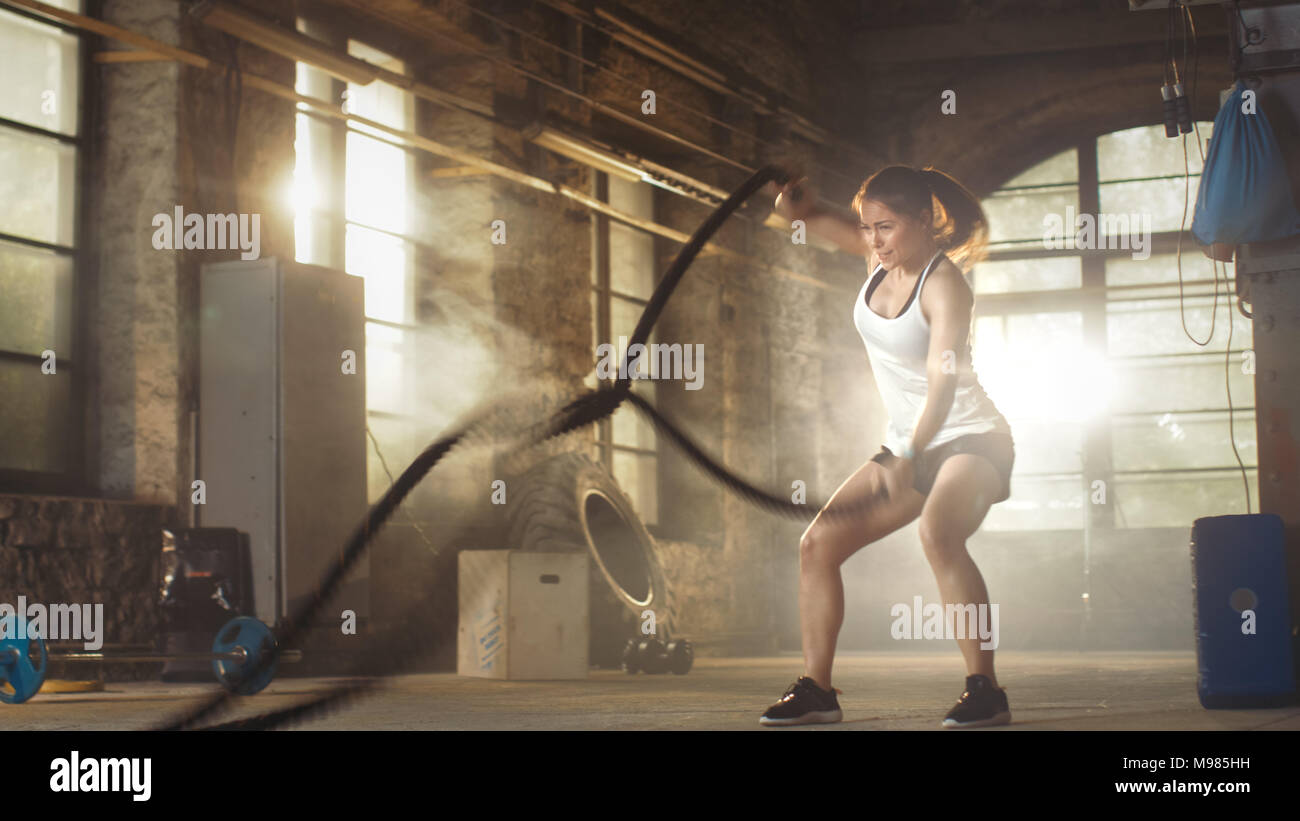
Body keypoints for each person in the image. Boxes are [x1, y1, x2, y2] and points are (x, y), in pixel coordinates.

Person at [760, 164, 1016, 728]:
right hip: (907, 443)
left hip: (971, 438)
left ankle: (985, 690)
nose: (874, 241)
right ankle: (818, 691)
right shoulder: (878, 260)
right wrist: (795, 204)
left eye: (887, 228)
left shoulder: (945, 285)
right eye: (868, 228)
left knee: (938, 533)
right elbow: (809, 216)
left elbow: (943, 383)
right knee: (817, 546)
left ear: (923, 222)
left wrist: (910, 454)